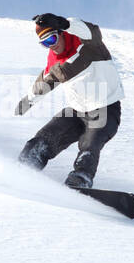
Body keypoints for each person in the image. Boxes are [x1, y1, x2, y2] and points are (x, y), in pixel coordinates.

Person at [15, 14, 124, 189]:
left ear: (61, 33)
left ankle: (80, 178)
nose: (53, 45)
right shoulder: (56, 64)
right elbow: (42, 85)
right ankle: (26, 165)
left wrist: (64, 23)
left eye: (52, 38)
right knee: (45, 137)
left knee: (90, 144)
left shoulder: (88, 44)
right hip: (76, 112)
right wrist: (26, 103)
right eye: (46, 43)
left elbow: (92, 30)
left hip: (105, 107)